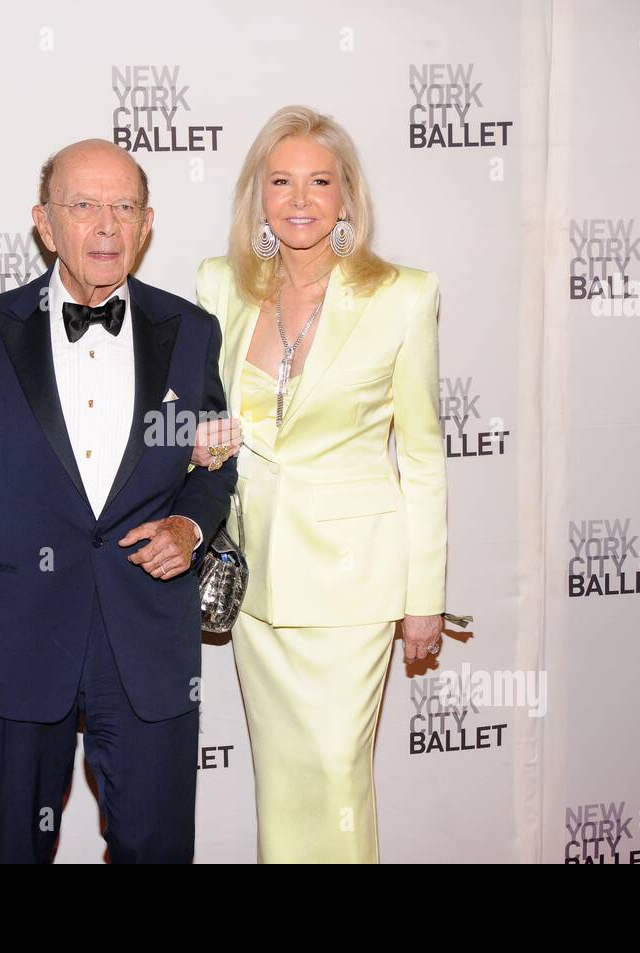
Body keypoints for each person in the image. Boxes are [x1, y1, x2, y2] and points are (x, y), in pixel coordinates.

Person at [0, 138, 236, 863]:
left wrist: (191, 523)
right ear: (45, 222)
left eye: (124, 206)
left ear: (147, 223)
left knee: (156, 848)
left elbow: (215, 464)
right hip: (16, 638)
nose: (105, 225)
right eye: (84, 205)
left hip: (148, 638)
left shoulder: (191, 332)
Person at [191, 105, 447, 863]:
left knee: (337, 778)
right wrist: (197, 449)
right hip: (258, 582)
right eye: (281, 181)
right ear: (258, 198)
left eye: (319, 182)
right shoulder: (220, 287)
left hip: (353, 587)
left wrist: (422, 598)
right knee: (283, 786)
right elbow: (198, 422)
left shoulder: (403, 295)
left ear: (346, 199)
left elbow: (425, 457)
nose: (300, 200)